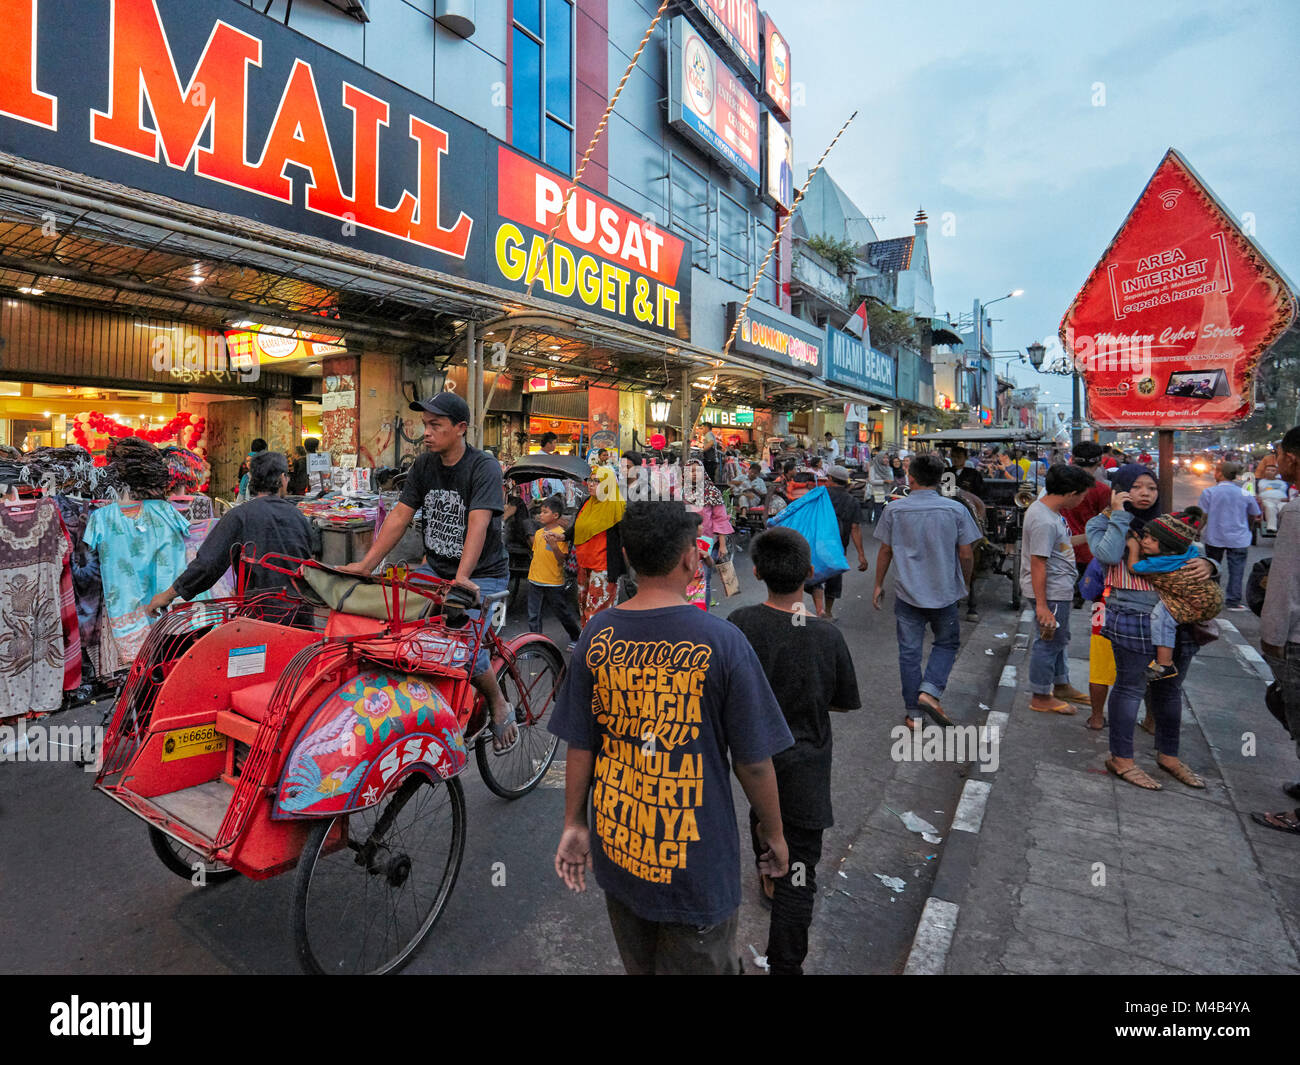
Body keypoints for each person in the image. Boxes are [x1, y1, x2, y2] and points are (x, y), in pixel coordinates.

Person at [549, 500, 793, 975]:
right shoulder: (721, 642)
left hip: (619, 852)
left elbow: (581, 743)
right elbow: (755, 762)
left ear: (628, 556)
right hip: (696, 869)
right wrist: (776, 833)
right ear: (688, 558)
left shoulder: (598, 633)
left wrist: (574, 825)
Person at [339, 391, 518, 753]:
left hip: (481, 574)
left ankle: (499, 703)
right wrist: (365, 566)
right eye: (425, 425)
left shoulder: (482, 467)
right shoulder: (423, 465)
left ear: (460, 428)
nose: (427, 432)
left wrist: (463, 577)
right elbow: (400, 516)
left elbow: (478, 524)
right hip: (435, 569)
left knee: (464, 647)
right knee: (398, 627)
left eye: (436, 425)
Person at [729, 526, 860, 975]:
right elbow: (843, 701)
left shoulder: (739, 625)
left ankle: (769, 872)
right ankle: (787, 966)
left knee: (767, 831)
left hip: (752, 765)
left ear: (758, 571)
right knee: (799, 875)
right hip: (805, 770)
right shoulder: (826, 636)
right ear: (809, 573)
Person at [1085, 464, 1216, 790]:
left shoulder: (1167, 523)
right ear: (1118, 489)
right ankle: (1121, 759)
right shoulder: (1101, 523)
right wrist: (1120, 515)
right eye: (1137, 487)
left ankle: (1168, 755)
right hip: (1130, 618)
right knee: (1129, 688)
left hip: (1180, 619)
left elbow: (1195, 552)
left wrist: (1207, 563)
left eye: (1151, 488)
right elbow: (1110, 555)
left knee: (1170, 691)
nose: (1144, 494)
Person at [873, 453, 981, 729]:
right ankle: (930, 691)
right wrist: (965, 583)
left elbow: (885, 551)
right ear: (939, 479)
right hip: (944, 593)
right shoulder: (956, 510)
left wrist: (877, 585)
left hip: (907, 594)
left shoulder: (894, 510)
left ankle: (914, 714)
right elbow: (966, 554)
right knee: (946, 644)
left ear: (911, 478)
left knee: (909, 653)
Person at [147, 450, 321, 615]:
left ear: (251, 478)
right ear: (283, 478)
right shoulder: (299, 516)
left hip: (260, 617)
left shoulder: (239, 516)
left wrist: (167, 595)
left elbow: (208, 565)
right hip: (301, 615)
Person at [1254, 426, 1300, 834]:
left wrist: (1272, 633)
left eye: (1280, 454)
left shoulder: (1296, 511)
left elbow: (1285, 581)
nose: (1277, 461)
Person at [1020, 464, 1095, 713]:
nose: (1082, 500)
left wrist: (1090, 534)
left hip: (1056, 588)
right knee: (1050, 640)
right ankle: (1040, 695)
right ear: (1071, 493)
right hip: (1050, 591)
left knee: (1059, 639)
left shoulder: (1050, 513)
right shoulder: (1044, 520)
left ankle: (1060, 684)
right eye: (1082, 495)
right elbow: (1038, 562)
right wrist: (1042, 605)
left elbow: (1060, 544)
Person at [1125, 507, 1222, 682]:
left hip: (1197, 603)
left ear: (1168, 546)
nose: (1145, 542)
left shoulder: (1160, 563)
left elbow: (1133, 567)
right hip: (1211, 598)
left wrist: (1133, 547)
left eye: (1152, 540)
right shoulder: (1188, 553)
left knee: (1161, 617)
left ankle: (1164, 664)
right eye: (1145, 536)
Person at [805, 465, 869, 621]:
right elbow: (855, 528)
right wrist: (861, 555)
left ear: (830, 479)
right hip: (839, 546)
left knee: (817, 575)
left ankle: (819, 609)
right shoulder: (852, 501)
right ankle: (827, 611)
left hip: (816, 544)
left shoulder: (820, 495)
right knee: (833, 578)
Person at [1199, 461, 1260, 610]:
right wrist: (1249, 528)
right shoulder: (1245, 492)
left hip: (1214, 536)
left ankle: (1213, 599)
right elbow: (1254, 514)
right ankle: (1233, 601)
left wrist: (1197, 531)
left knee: (1212, 569)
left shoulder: (1209, 492)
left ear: (1220, 473)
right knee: (1237, 570)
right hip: (1239, 538)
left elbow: (1203, 515)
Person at [573, 464, 626, 625]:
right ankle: (587, 643)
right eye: (590, 480)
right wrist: (561, 536)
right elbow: (578, 526)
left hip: (603, 568)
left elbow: (624, 538)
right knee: (583, 607)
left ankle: (598, 647)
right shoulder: (587, 503)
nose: (590, 484)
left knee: (598, 613)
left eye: (597, 481)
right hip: (584, 565)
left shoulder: (616, 506)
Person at [526, 494, 582, 649]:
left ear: (555, 515)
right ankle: (536, 644)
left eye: (545, 512)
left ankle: (576, 637)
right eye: (541, 512)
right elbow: (536, 555)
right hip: (534, 579)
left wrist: (554, 544)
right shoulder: (538, 533)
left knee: (562, 612)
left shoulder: (560, 535)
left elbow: (561, 560)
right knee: (533, 615)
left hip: (553, 582)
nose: (540, 515)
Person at [866, 450, 893, 523]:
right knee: (879, 513)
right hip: (877, 494)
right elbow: (871, 481)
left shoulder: (888, 468)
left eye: (887, 458)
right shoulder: (873, 468)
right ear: (879, 458)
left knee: (886, 513)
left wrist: (891, 481)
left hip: (887, 493)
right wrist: (884, 481)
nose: (886, 459)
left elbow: (891, 478)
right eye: (884, 458)